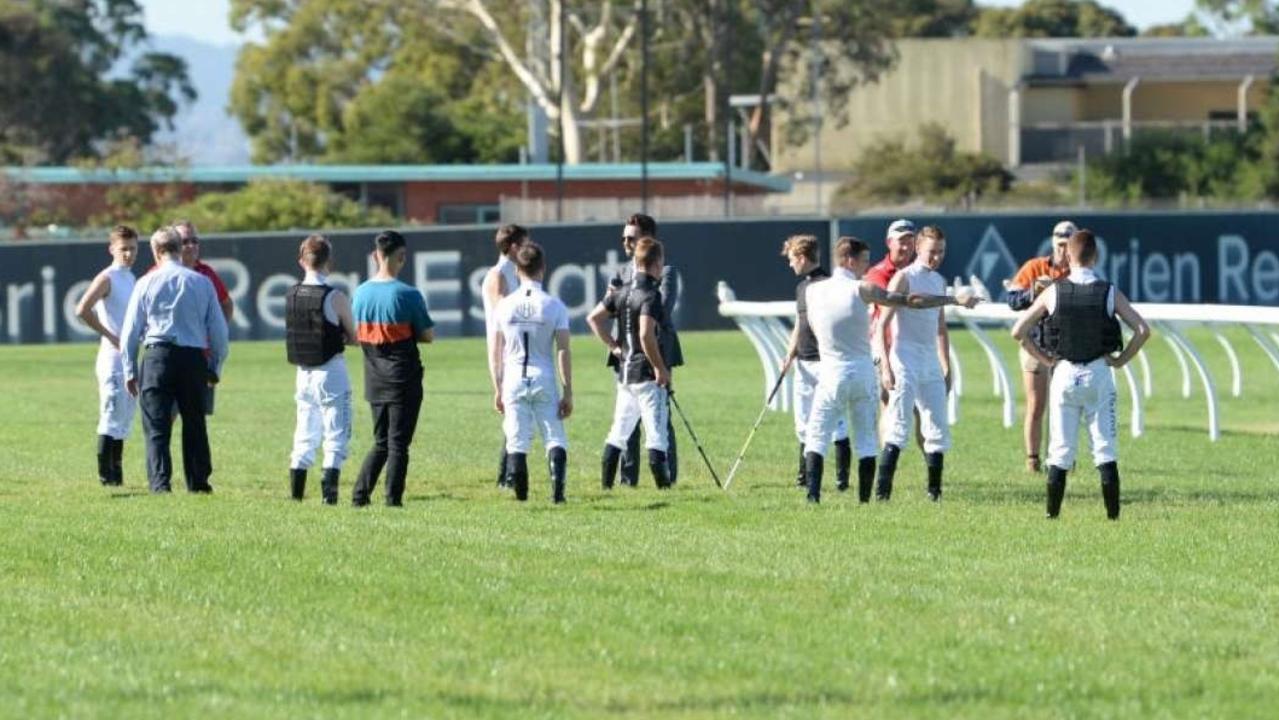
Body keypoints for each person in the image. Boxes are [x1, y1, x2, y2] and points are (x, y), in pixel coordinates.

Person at [802, 237, 974, 504]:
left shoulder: (812, 291)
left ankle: (813, 496)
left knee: (818, 434)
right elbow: (911, 301)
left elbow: (811, 325)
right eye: (865, 261)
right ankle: (866, 500)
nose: (867, 266)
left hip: (830, 371)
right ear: (850, 259)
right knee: (867, 440)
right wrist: (953, 299)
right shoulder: (864, 288)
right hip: (861, 371)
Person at [1011, 229, 1150, 520]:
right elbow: (1142, 330)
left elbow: (1018, 331)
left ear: (1068, 255)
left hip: (1063, 373)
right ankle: (1113, 517)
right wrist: (1122, 359)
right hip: (1099, 373)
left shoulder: (1053, 291)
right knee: (1105, 449)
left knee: (1060, 451)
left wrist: (1043, 358)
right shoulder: (1108, 291)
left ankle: (1052, 515)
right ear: (1095, 256)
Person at [119, 226, 230, 494]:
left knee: (156, 425)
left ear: (156, 252)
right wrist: (214, 366)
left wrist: (130, 371)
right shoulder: (201, 282)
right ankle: (198, 483)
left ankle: (160, 485)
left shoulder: (145, 282)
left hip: (157, 356)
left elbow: (130, 333)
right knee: (194, 423)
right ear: (180, 250)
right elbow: (219, 333)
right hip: (192, 358)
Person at [350, 230, 435, 507]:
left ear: (376, 255)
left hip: (373, 377)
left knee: (381, 441)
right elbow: (427, 335)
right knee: (398, 443)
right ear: (401, 256)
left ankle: (360, 495)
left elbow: (355, 334)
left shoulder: (360, 293)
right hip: (403, 377)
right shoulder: (408, 294)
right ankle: (392, 499)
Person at [875, 226, 959, 502]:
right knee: (898, 424)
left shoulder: (939, 281)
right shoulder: (903, 278)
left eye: (941, 252)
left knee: (936, 423)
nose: (936, 257)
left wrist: (946, 365)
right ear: (918, 249)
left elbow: (940, 327)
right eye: (932, 252)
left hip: (928, 360)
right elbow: (881, 326)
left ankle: (934, 492)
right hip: (904, 356)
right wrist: (886, 367)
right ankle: (882, 493)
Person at [490, 242, 573, 503]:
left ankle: (522, 496)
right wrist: (568, 390)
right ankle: (558, 494)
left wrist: (497, 387)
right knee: (554, 435)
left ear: (517, 270)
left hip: (514, 378)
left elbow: (496, 351)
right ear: (543, 269)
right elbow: (563, 349)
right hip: (543, 376)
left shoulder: (503, 306)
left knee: (516, 439)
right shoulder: (555, 305)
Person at [588, 236, 674, 490]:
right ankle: (664, 488)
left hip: (625, 373)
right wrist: (659, 367)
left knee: (619, 431)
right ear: (656, 263)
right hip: (646, 375)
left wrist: (614, 347)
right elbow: (646, 334)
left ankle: (606, 486)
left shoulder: (622, 291)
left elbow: (593, 318)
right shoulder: (651, 295)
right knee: (657, 435)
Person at [605, 213, 682, 486]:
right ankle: (628, 480)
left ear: (648, 239)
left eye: (631, 237)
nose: (625, 242)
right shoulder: (619, 272)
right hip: (625, 355)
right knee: (626, 420)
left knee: (660, 419)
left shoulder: (668, 271)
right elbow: (609, 311)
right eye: (624, 237)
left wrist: (626, 298)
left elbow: (662, 308)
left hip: (656, 354)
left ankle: (667, 477)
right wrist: (613, 345)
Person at [285, 234, 357, 504]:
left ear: (301, 261)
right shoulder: (335, 296)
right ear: (330, 261)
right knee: (336, 435)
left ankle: (296, 496)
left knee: (304, 434)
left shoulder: (291, 293)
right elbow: (355, 337)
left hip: (302, 374)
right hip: (331, 371)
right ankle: (329, 497)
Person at [779, 234, 851, 490]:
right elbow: (800, 322)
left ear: (801, 257)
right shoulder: (801, 288)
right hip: (804, 362)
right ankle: (804, 475)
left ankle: (842, 479)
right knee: (803, 422)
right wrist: (790, 353)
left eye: (791, 260)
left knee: (836, 422)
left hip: (827, 363)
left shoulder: (828, 285)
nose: (790, 265)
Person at [1005, 220, 1075, 473]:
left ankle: (1063, 458)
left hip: (1067, 347)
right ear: (1053, 242)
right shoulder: (1034, 267)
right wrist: (1033, 293)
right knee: (1036, 405)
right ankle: (1032, 460)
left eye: (1068, 243)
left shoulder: (1079, 273)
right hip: (1035, 344)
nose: (1063, 248)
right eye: (1059, 242)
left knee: (1066, 405)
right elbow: (1012, 300)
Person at [74, 225, 139, 487]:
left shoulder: (131, 277)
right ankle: (106, 475)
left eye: (133, 248)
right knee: (111, 412)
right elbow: (82, 309)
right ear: (112, 249)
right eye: (123, 249)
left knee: (124, 415)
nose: (128, 254)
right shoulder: (107, 277)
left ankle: (117, 471)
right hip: (112, 358)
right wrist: (110, 336)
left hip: (130, 356)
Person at [482, 224, 529, 489]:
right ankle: (506, 477)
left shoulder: (516, 273)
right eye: (525, 243)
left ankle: (509, 476)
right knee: (514, 417)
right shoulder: (498, 275)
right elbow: (503, 316)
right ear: (513, 247)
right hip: (504, 353)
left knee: (519, 417)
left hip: (520, 351)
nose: (529, 248)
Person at [172, 220, 233, 415]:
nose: (191, 246)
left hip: (201, 355)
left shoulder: (206, 273)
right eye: (184, 241)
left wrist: (216, 332)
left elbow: (226, 304)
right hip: (170, 353)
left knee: (197, 416)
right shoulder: (159, 274)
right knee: (167, 415)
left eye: (194, 240)